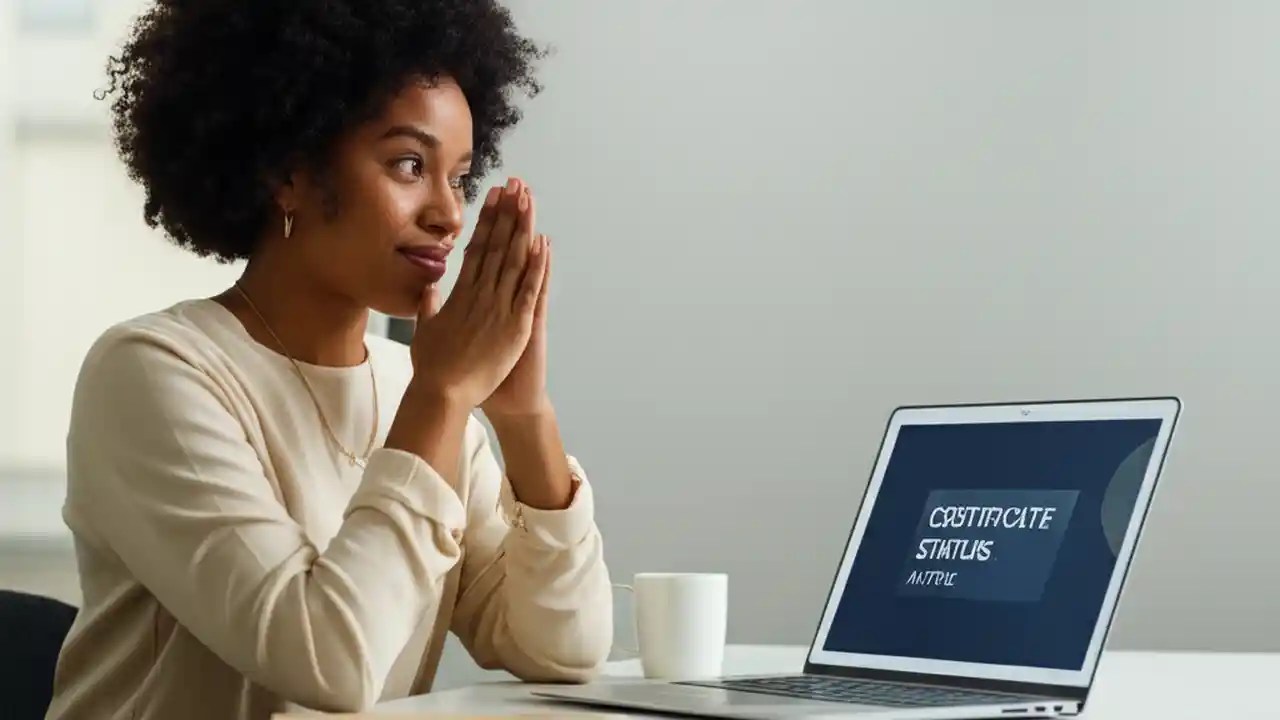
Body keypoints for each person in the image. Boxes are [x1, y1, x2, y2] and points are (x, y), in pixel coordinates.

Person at [44, 1, 614, 718]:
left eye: (460, 177)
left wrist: (525, 415)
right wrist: (443, 397)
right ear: (292, 172)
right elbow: (328, 662)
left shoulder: (416, 386)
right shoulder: (152, 373)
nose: (449, 213)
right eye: (410, 164)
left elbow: (564, 648)